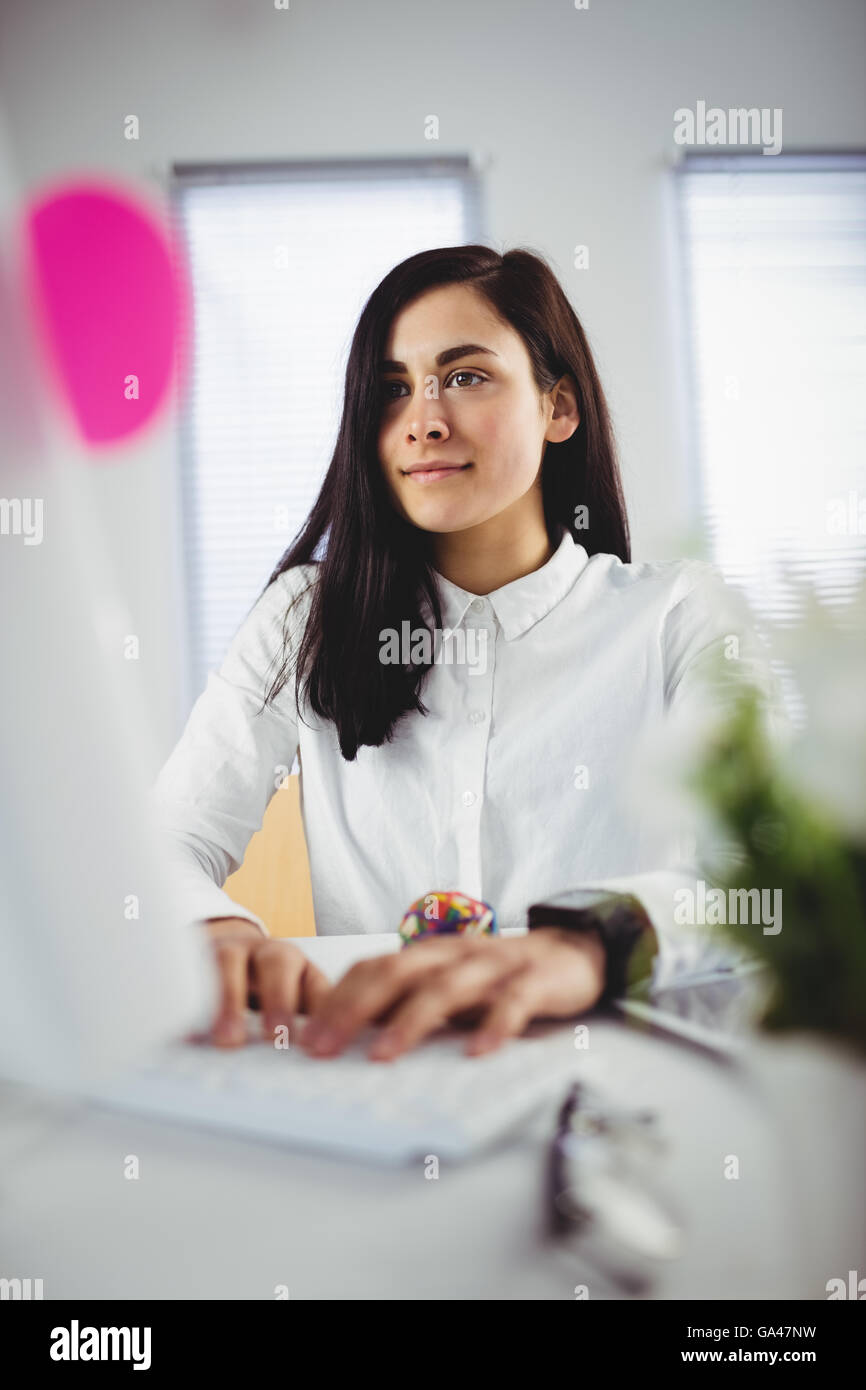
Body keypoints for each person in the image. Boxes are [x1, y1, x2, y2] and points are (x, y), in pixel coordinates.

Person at [150, 244, 780, 1062]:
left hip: (611, 1068)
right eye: (392, 389)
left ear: (559, 408)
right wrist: (217, 928)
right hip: (377, 1064)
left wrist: (584, 944)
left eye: (467, 376)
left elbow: (760, 879)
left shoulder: (682, 616)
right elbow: (163, 843)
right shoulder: (303, 617)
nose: (425, 420)